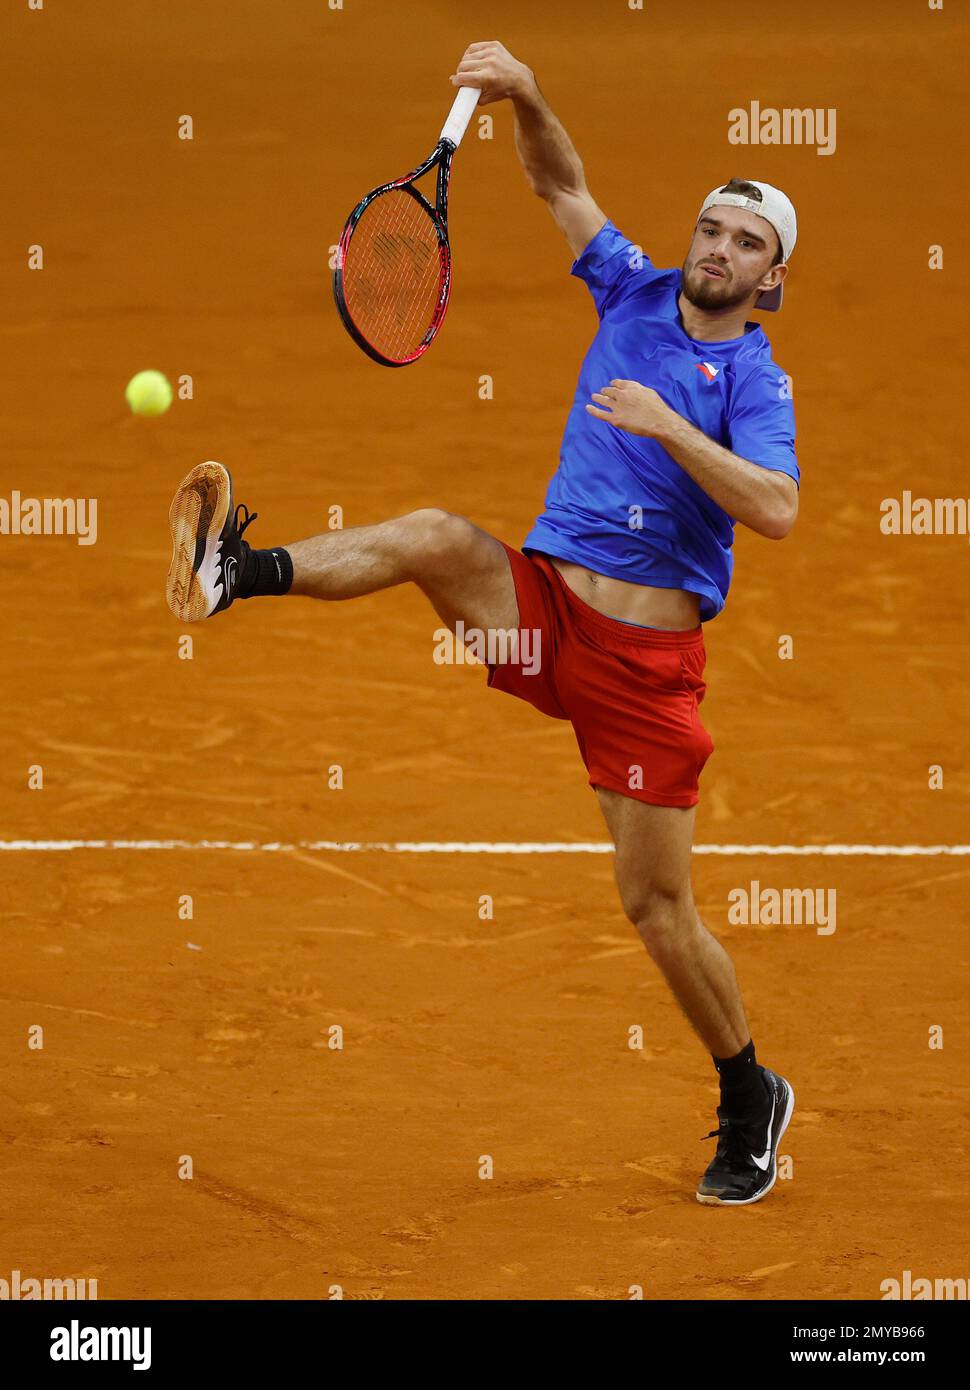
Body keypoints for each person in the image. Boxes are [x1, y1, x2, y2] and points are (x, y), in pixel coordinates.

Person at [165, 41, 801, 1206]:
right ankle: (231, 571)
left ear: (772, 280)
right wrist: (524, 94)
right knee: (434, 538)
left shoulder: (755, 384)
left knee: (655, 909)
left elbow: (775, 510)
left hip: (643, 669)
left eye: (746, 243)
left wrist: (667, 424)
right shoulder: (635, 287)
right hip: (544, 612)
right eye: (711, 227)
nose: (717, 248)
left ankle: (749, 1089)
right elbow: (559, 185)